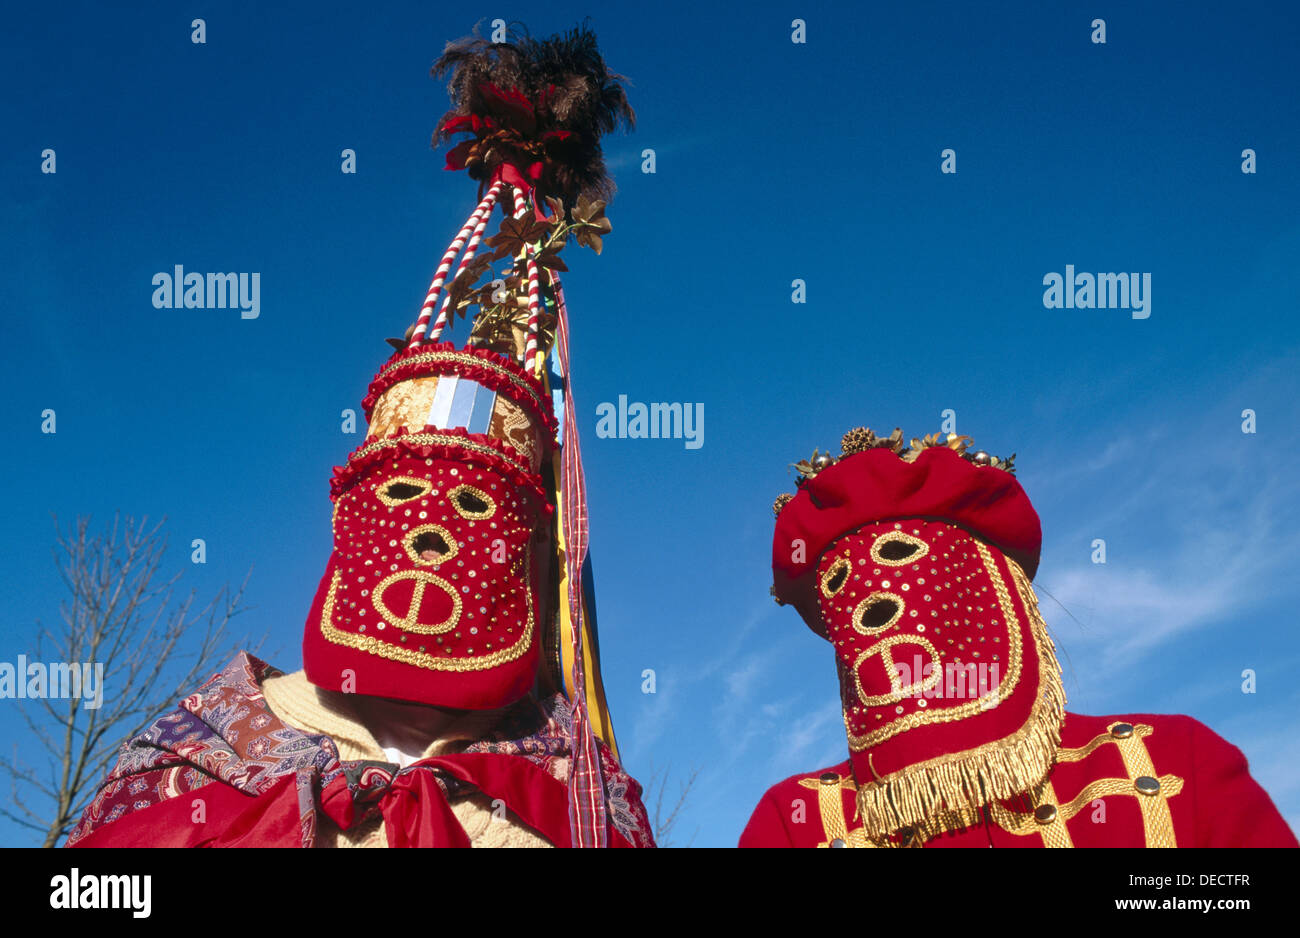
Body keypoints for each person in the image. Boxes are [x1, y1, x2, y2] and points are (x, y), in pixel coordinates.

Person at [67, 24, 653, 849]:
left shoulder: (578, 793)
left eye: (481, 499)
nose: (432, 532)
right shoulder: (198, 756)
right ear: (350, 508)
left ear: (530, 545)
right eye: (406, 489)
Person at [741, 427, 1296, 848]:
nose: (875, 613)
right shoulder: (796, 821)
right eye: (842, 586)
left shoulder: (1173, 760)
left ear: (989, 593)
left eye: (904, 560)